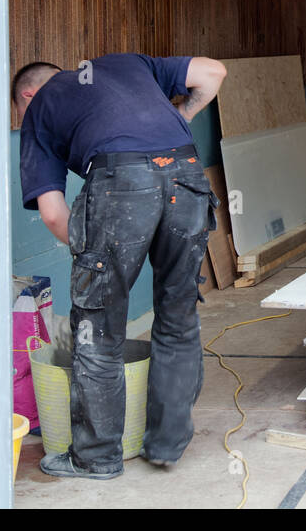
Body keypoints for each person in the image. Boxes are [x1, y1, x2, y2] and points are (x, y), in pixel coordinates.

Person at [12, 53, 227, 479]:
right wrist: (179, 115)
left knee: (98, 327)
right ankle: (166, 445)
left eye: (19, 112)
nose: (23, 119)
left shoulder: (38, 110)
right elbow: (213, 72)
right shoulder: (128, 64)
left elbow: (54, 215)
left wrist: (92, 253)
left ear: (28, 95)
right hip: (186, 174)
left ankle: (96, 457)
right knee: (178, 316)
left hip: (120, 183)